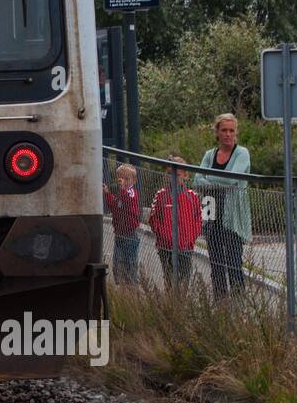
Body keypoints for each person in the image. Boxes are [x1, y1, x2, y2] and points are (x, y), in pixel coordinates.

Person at [196, 113, 252, 299]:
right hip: (212, 214)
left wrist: (208, 178)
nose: (228, 134)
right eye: (224, 130)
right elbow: (197, 180)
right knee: (216, 264)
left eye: (231, 130)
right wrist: (216, 181)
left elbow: (232, 178)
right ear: (217, 133)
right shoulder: (209, 155)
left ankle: (239, 305)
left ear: (236, 133)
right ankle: (221, 305)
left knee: (234, 263)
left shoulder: (242, 153)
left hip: (233, 216)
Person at [149, 155, 202, 290]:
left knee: (184, 279)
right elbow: (153, 219)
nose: (172, 177)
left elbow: (198, 220)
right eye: (169, 174)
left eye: (177, 175)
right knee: (169, 279)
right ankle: (170, 305)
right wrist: (165, 236)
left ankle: (181, 306)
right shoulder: (161, 195)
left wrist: (190, 238)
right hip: (166, 247)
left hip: (185, 247)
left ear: (185, 175)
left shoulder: (192, 197)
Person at [103, 164, 140, 285]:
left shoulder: (131, 193)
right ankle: (121, 286)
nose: (123, 181)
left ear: (134, 181)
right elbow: (114, 206)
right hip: (119, 235)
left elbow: (128, 200)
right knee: (118, 265)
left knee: (130, 265)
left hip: (129, 236)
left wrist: (123, 187)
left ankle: (131, 288)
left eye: (127, 179)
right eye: (121, 178)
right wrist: (107, 193)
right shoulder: (121, 194)